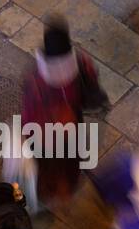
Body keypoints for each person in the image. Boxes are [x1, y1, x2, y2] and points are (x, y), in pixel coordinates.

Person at [20, 15, 109, 208]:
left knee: (45, 167)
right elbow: (91, 89)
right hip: (69, 132)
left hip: (41, 138)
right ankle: (66, 188)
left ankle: (47, 192)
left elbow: (28, 114)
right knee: (68, 164)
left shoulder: (35, 79)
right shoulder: (81, 65)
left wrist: (25, 136)